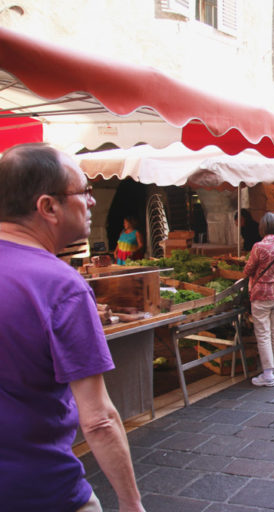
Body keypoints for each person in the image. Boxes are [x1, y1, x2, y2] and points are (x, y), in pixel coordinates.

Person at [0, 143, 144, 511]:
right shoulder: (59, 285)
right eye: (84, 191)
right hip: (40, 490)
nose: (93, 202)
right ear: (48, 207)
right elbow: (98, 420)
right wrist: (131, 504)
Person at [244, 212, 274, 387]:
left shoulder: (258, 247)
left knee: (263, 333)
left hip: (261, 295)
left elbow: (248, 270)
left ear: (262, 228)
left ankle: (268, 374)